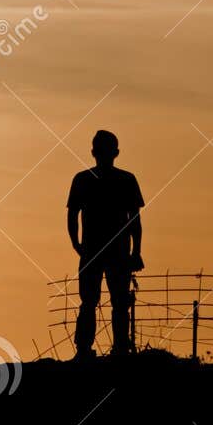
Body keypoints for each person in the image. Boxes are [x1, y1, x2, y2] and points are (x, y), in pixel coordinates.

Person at [67, 130, 144, 359]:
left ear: (93, 152)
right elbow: (135, 221)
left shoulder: (83, 179)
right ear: (116, 152)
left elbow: (72, 216)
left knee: (93, 301)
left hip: (95, 250)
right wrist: (136, 251)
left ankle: (89, 349)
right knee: (116, 301)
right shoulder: (126, 180)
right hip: (114, 251)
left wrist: (77, 244)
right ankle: (117, 348)